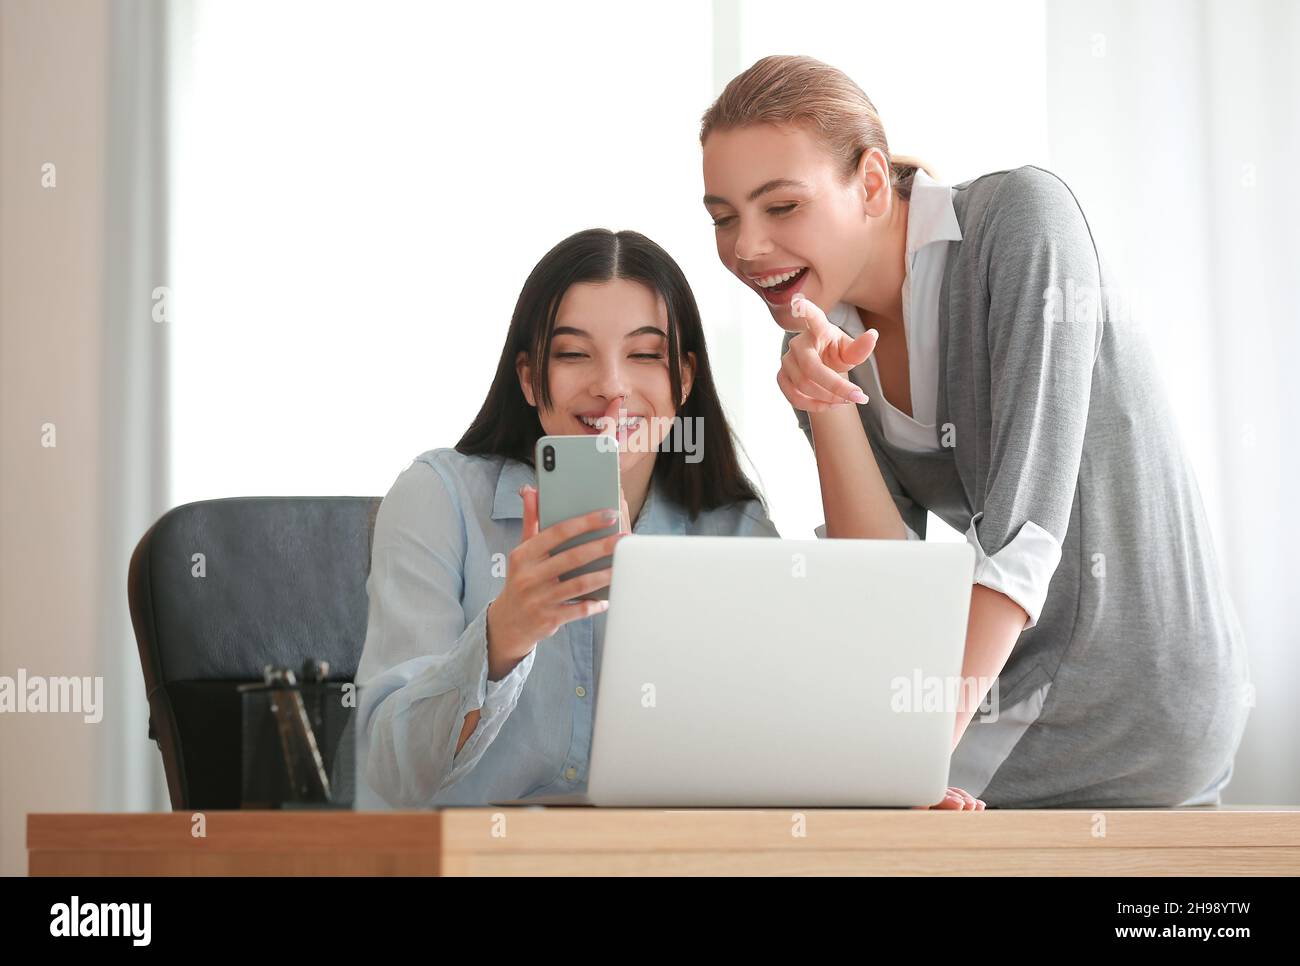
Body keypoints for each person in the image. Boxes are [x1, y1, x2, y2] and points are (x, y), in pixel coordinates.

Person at [698, 54, 1251, 808]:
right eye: (724, 217)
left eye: (781, 207)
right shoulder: (817, 342)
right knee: (801, 796)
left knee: (831, 810)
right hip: (1007, 686)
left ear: (868, 182)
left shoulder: (1020, 222)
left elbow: (1024, 535)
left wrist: (914, 751)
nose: (746, 248)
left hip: (1136, 691)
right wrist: (829, 408)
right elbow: (888, 587)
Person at [353, 228, 778, 808]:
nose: (610, 386)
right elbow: (386, 771)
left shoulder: (736, 531)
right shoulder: (439, 498)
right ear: (529, 378)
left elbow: (770, 756)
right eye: (574, 353)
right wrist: (503, 636)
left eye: (644, 354)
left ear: (683, 379)